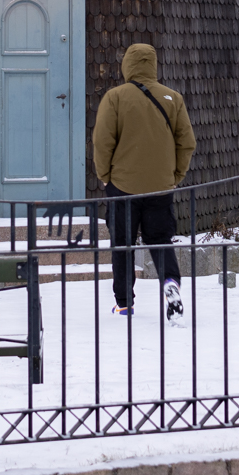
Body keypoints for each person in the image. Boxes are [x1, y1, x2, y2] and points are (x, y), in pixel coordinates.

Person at [93, 43, 196, 320]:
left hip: (122, 186)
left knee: (123, 243)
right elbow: (186, 143)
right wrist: (174, 176)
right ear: (153, 64)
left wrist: (105, 176)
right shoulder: (172, 98)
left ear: (127, 65)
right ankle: (170, 283)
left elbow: (103, 142)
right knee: (160, 239)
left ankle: (124, 302)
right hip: (160, 186)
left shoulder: (115, 98)